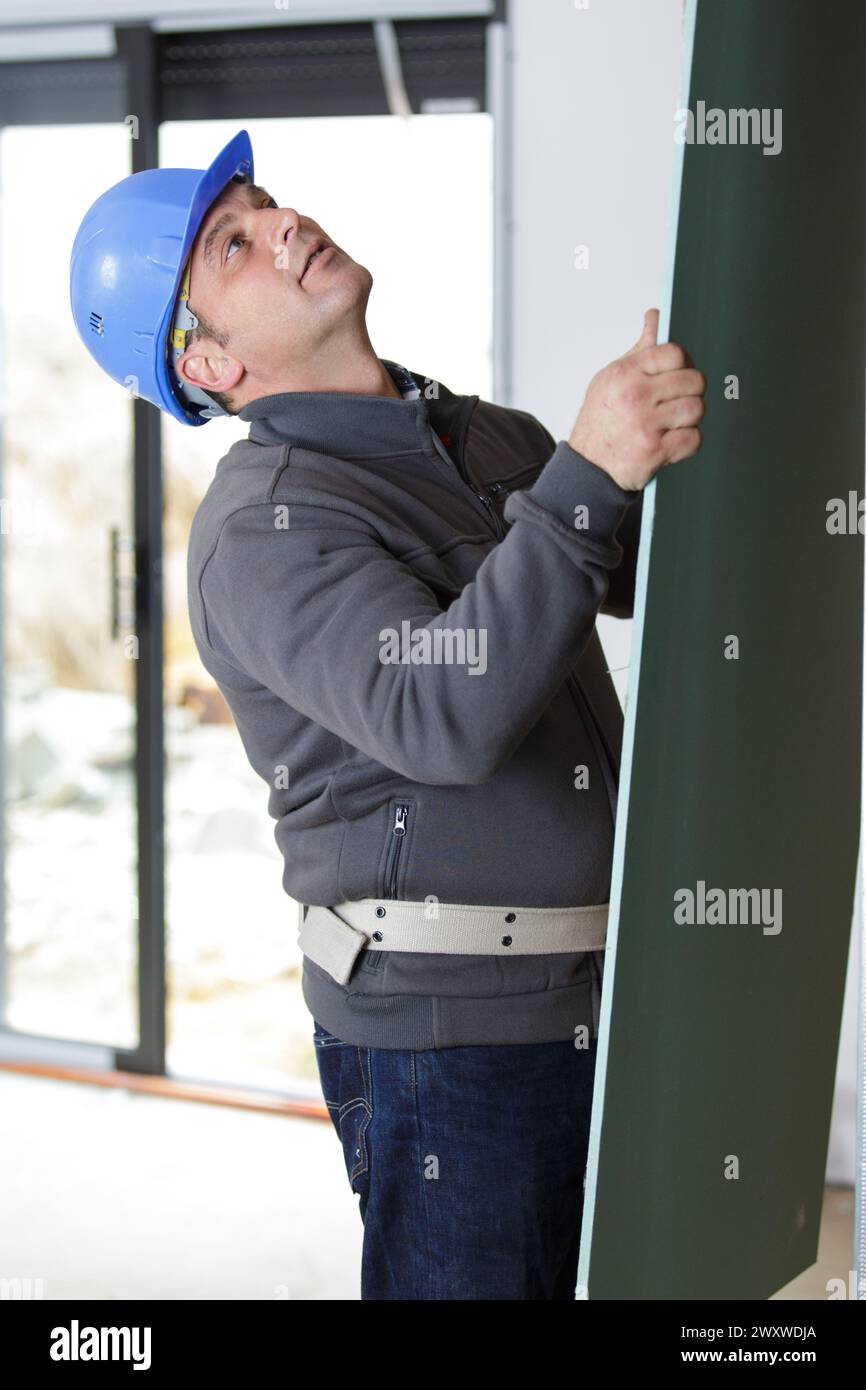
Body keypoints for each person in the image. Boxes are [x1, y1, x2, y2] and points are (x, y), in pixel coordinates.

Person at [70, 129, 706, 1300]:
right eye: (235, 242)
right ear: (205, 364)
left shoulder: (480, 440)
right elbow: (437, 713)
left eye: (265, 204)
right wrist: (587, 473)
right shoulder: (262, 528)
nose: (284, 226)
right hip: (451, 1048)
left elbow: (649, 575)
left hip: (610, 994)